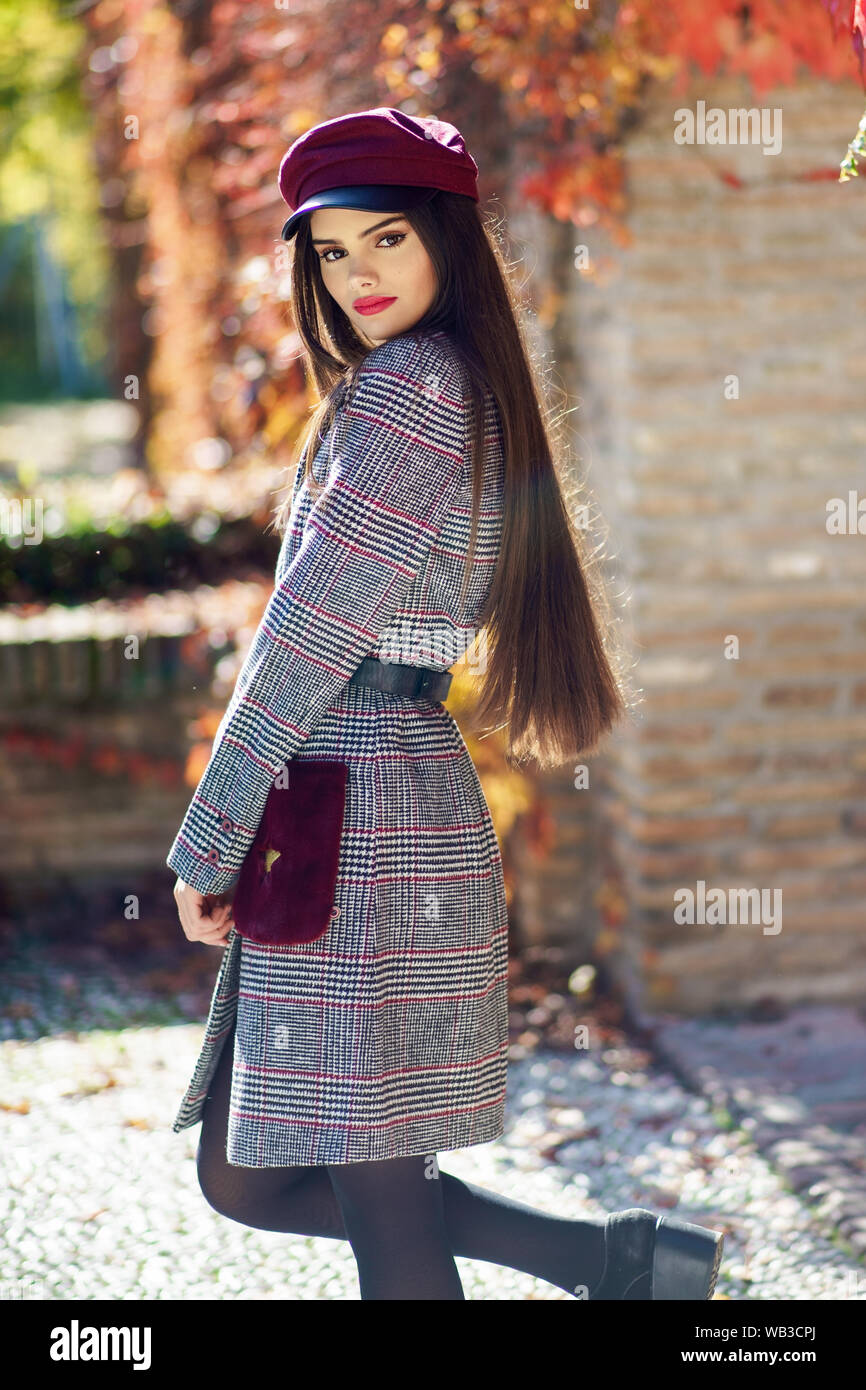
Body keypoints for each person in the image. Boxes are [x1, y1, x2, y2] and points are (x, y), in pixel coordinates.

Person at [167, 106, 724, 1300]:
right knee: (247, 1175)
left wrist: (207, 839)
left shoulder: (411, 391)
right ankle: (625, 1265)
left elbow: (305, 636)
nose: (356, 275)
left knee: (378, 1192)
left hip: (358, 806)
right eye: (329, 251)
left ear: (446, 244)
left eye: (387, 242)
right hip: (363, 793)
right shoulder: (429, 379)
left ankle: (627, 1266)